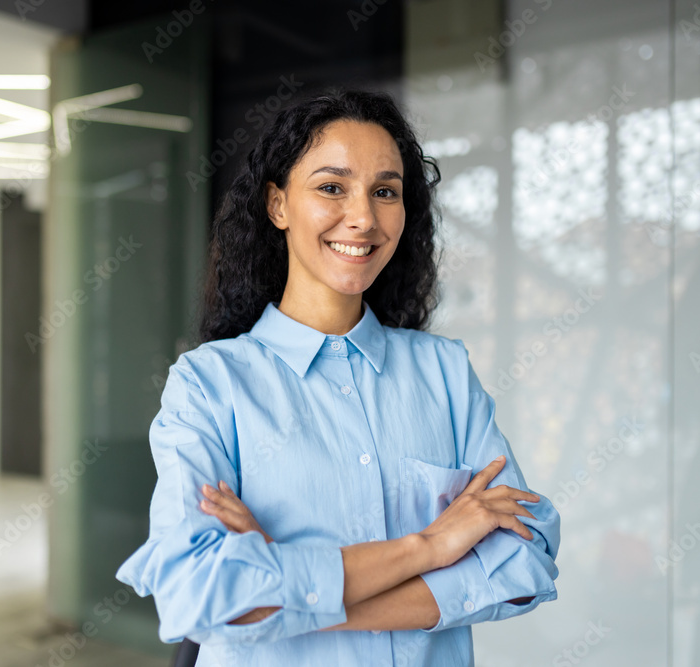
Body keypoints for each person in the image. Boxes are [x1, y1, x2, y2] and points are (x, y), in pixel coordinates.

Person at [115, 87, 560, 666]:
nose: (364, 218)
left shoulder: (444, 371)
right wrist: (430, 547)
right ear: (278, 206)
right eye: (331, 187)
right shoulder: (211, 385)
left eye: (385, 192)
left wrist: (294, 585)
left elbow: (525, 562)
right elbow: (201, 593)